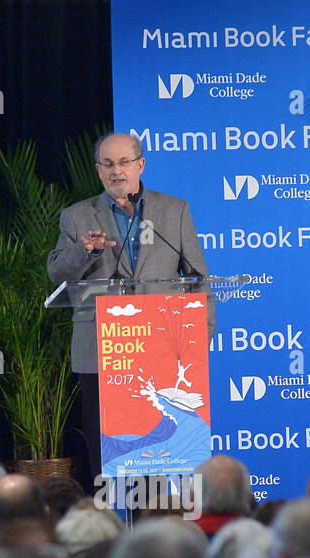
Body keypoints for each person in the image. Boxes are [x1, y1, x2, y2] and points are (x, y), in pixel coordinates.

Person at [47, 132, 213, 475]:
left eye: (124, 162)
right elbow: (56, 273)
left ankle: (162, 526)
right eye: (108, 164)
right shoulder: (77, 217)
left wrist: (198, 340)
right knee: (109, 459)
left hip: (163, 350)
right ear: (98, 170)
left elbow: (199, 280)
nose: (116, 171)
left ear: (140, 165)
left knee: (166, 458)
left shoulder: (174, 211)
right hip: (102, 353)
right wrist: (85, 250)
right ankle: (112, 526)